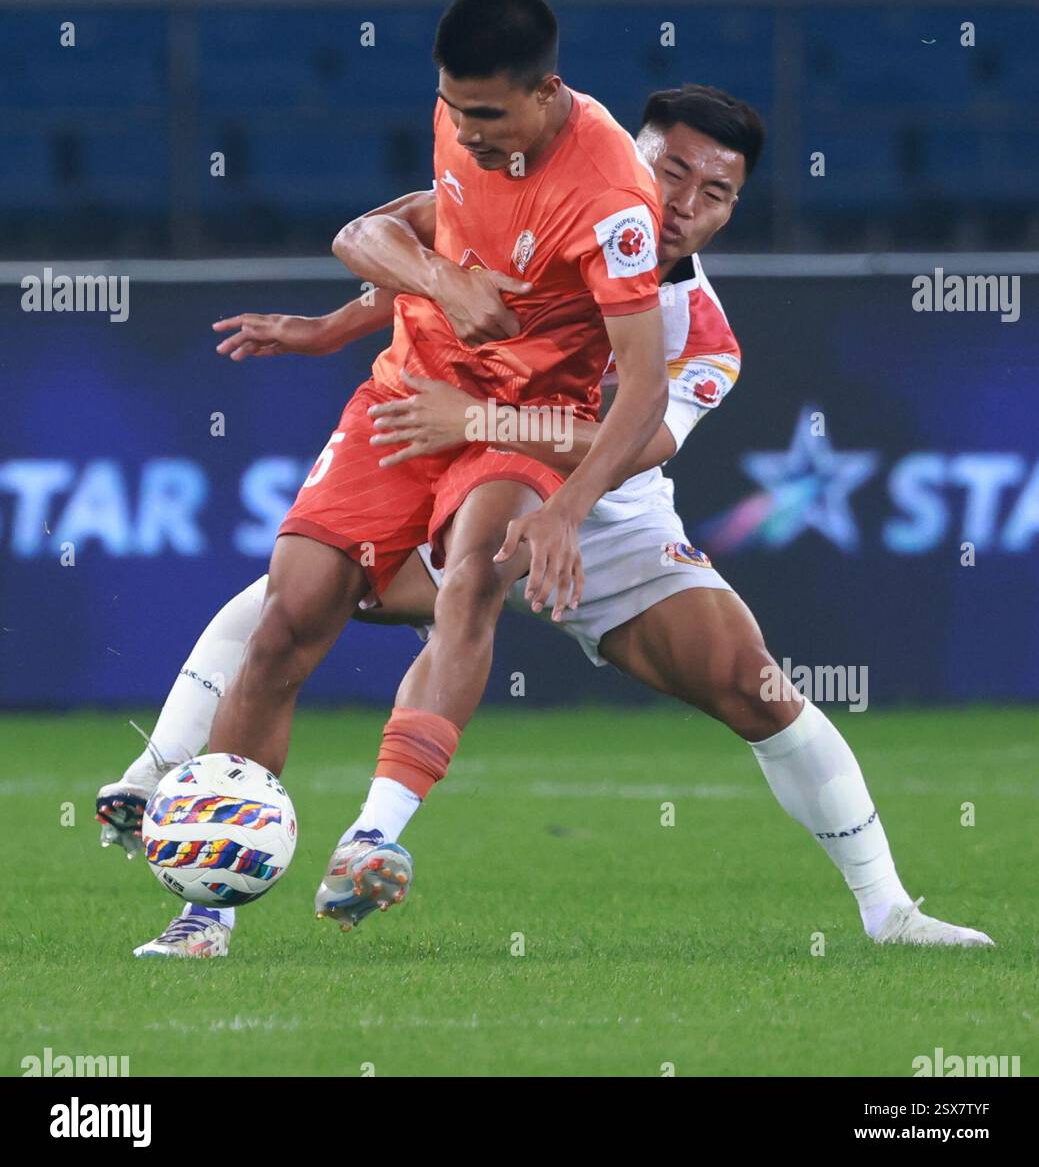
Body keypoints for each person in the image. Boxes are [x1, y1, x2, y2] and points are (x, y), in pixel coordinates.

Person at [99, 84, 992, 955]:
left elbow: (631, 442)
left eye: (712, 193)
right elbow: (419, 255)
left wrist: (487, 430)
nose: (682, 204)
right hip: (478, 484)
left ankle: (888, 910)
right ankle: (210, 847)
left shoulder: (701, 334)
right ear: (626, 154)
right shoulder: (551, 199)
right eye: (668, 171)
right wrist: (332, 329)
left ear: (731, 210)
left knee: (755, 688)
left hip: (604, 517)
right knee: (298, 599)